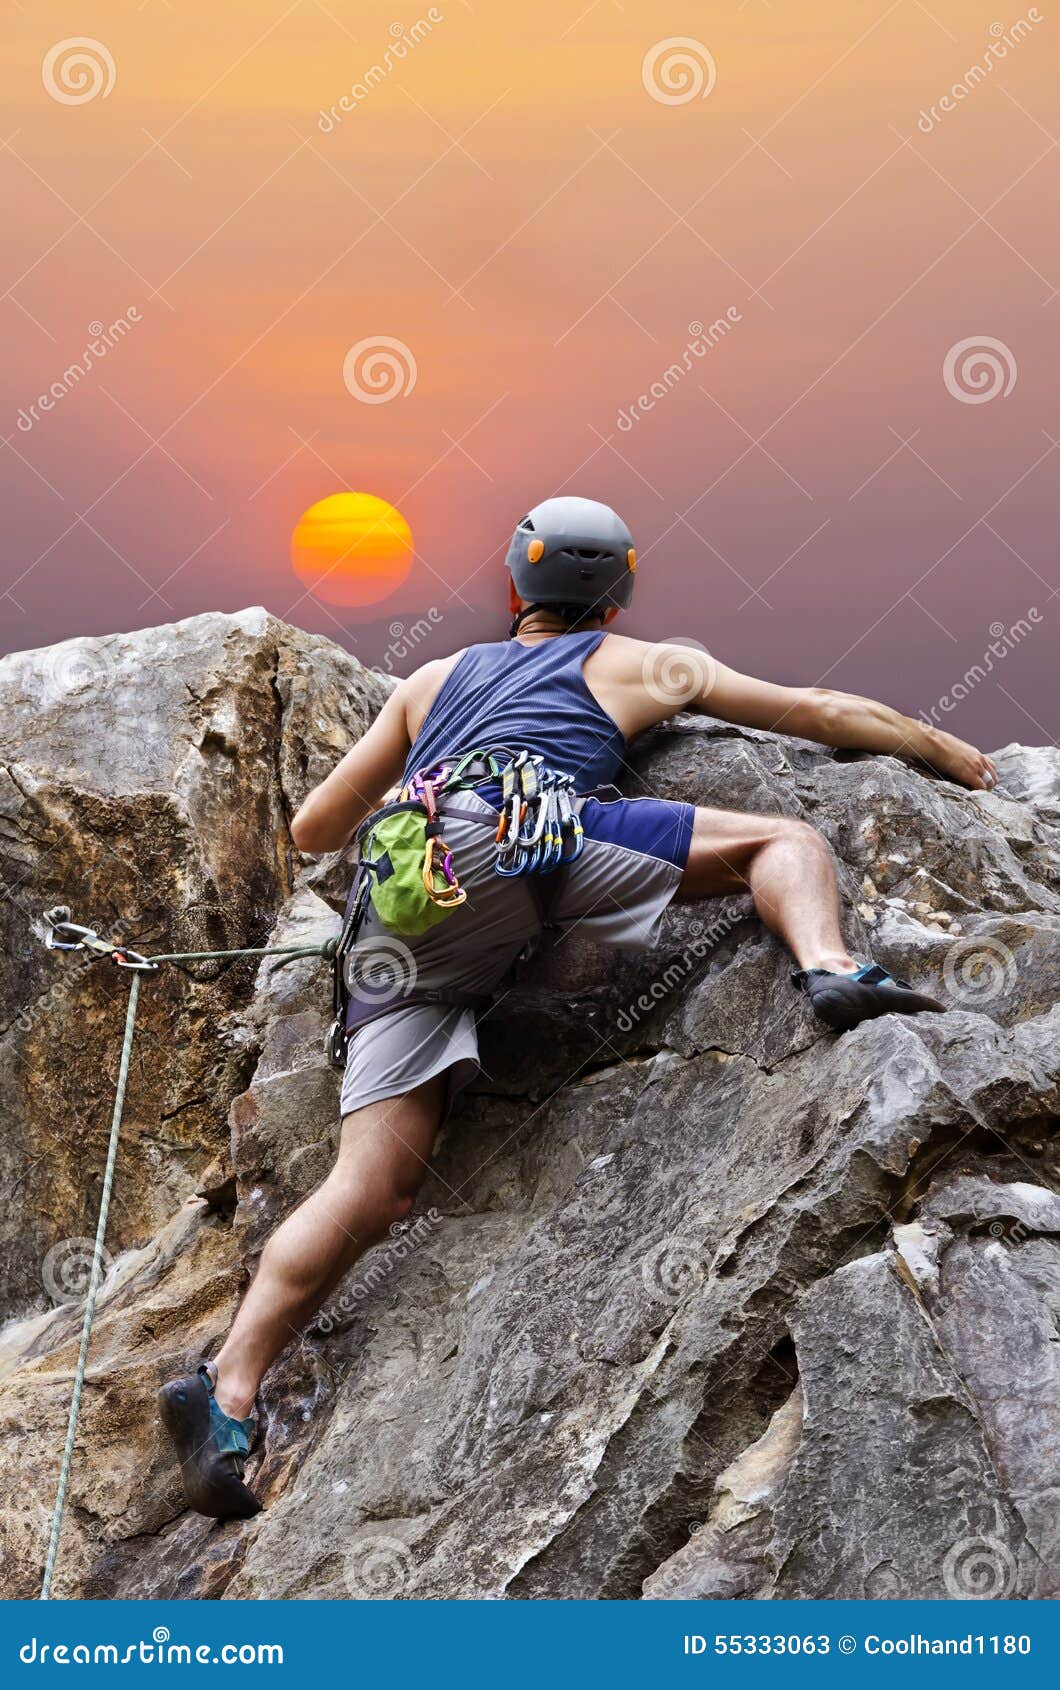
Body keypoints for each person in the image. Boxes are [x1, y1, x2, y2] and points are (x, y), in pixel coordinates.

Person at [159, 495, 998, 1519]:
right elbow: (817, 707)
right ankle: (829, 967)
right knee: (781, 841)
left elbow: (311, 824)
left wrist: (429, 784)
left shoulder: (431, 679)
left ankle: (227, 1390)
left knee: (370, 1186)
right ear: (617, 595)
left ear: (516, 587)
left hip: (401, 899)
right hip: (528, 847)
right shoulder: (640, 664)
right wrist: (944, 751)